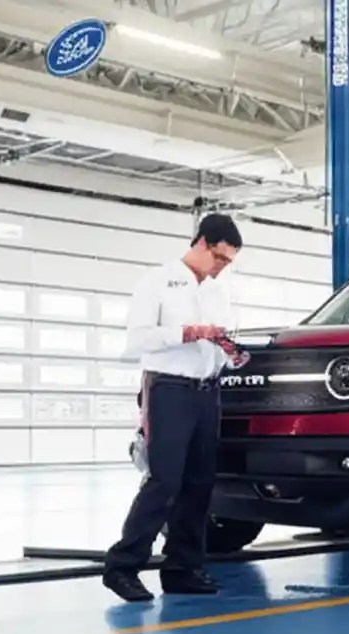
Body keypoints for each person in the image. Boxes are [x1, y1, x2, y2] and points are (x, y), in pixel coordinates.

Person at [102, 213, 243, 602]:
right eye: (219, 258)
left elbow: (223, 339)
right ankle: (122, 566)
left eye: (228, 262)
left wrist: (231, 353)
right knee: (165, 480)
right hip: (168, 390)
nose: (221, 267)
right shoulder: (157, 281)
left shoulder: (218, 291)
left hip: (206, 390)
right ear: (201, 243)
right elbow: (135, 342)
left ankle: (183, 567)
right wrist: (187, 333)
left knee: (199, 483)